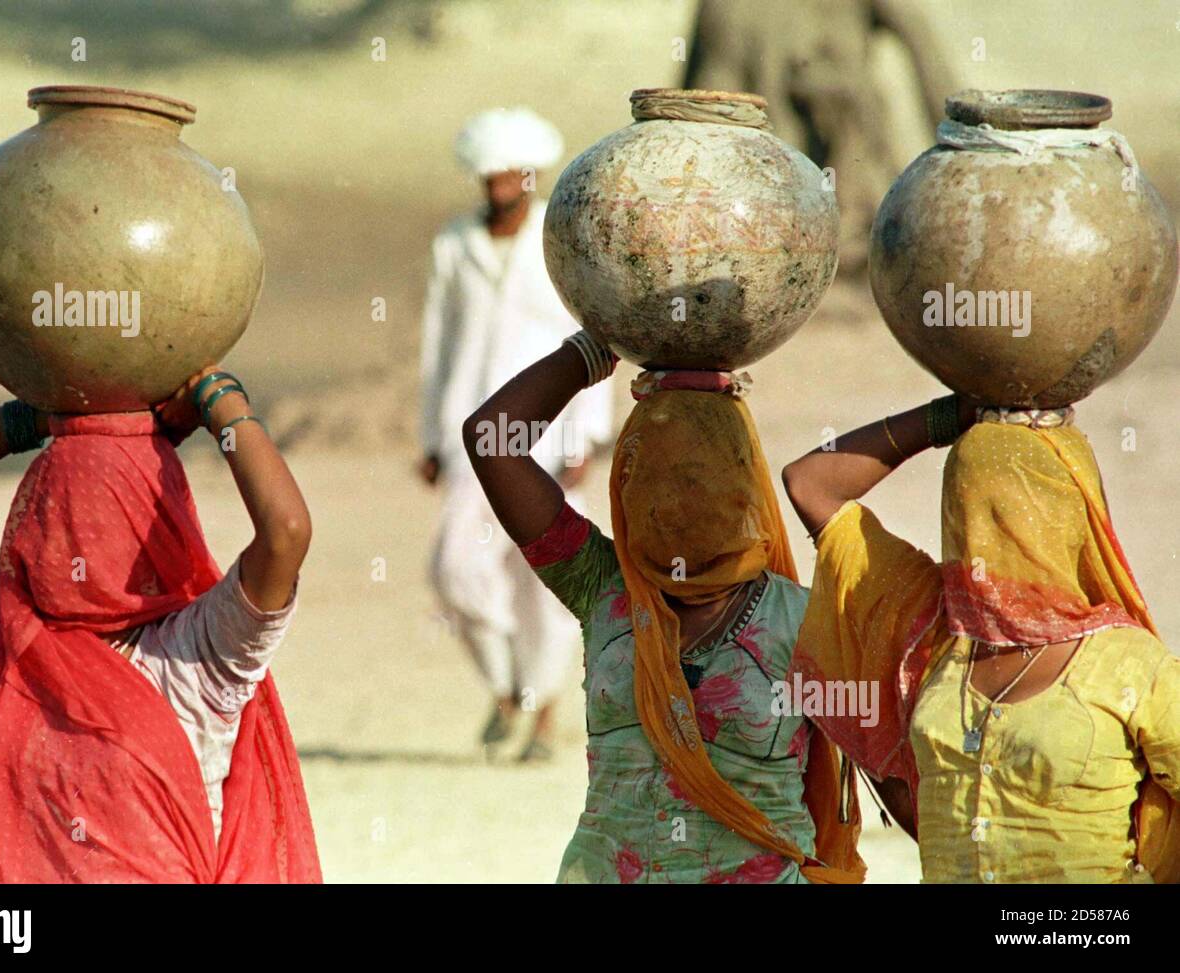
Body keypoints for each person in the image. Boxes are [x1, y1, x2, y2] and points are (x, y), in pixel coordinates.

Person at [0, 367, 322, 883]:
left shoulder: (2, 638)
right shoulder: (196, 658)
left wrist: (40, 422)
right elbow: (285, 531)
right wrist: (220, 403)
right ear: (155, 526)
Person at [462, 333, 864, 883]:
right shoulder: (602, 586)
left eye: (699, 481)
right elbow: (491, 441)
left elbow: (904, 778)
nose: (676, 504)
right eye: (655, 479)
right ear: (626, 483)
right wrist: (589, 351)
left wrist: (952, 420)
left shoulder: (805, 621)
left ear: (744, 489)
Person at [782, 396, 1180, 883]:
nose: (981, 535)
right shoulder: (933, 631)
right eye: (966, 507)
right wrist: (953, 414)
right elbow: (810, 482)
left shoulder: (1129, 664)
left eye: (1006, 514)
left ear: (1063, 517)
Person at [419, 107, 613, 761]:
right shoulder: (453, 244)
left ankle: (544, 712)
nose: (502, 187)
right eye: (492, 177)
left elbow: (592, 333)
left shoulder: (560, 239)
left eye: (512, 176)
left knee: (548, 579)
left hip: (551, 436)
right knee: (454, 567)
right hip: (466, 432)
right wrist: (429, 433)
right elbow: (435, 343)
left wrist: (589, 432)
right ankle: (509, 686)